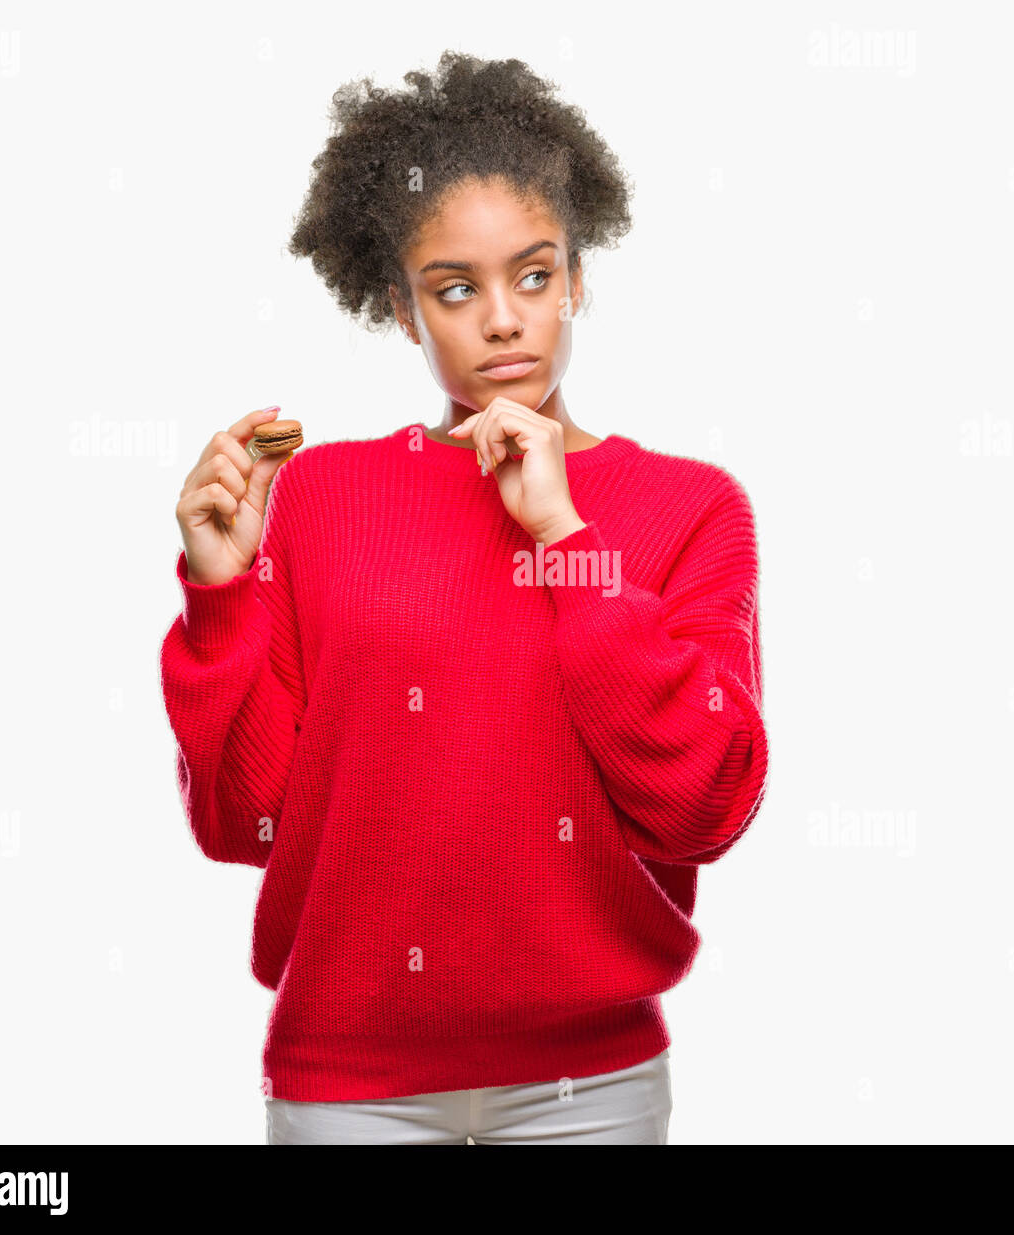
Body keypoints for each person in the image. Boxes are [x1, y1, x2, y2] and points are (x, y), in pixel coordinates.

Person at [159, 51, 769, 1145]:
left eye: (534, 276)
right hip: (351, 1081)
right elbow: (241, 822)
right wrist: (219, 594)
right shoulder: (325, 497)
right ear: (401, 310)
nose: (502, 321)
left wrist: (563, 535)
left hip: (594, 1085)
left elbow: (705, 804)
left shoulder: (690, 506)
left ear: (579, 276)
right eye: (455, 289)